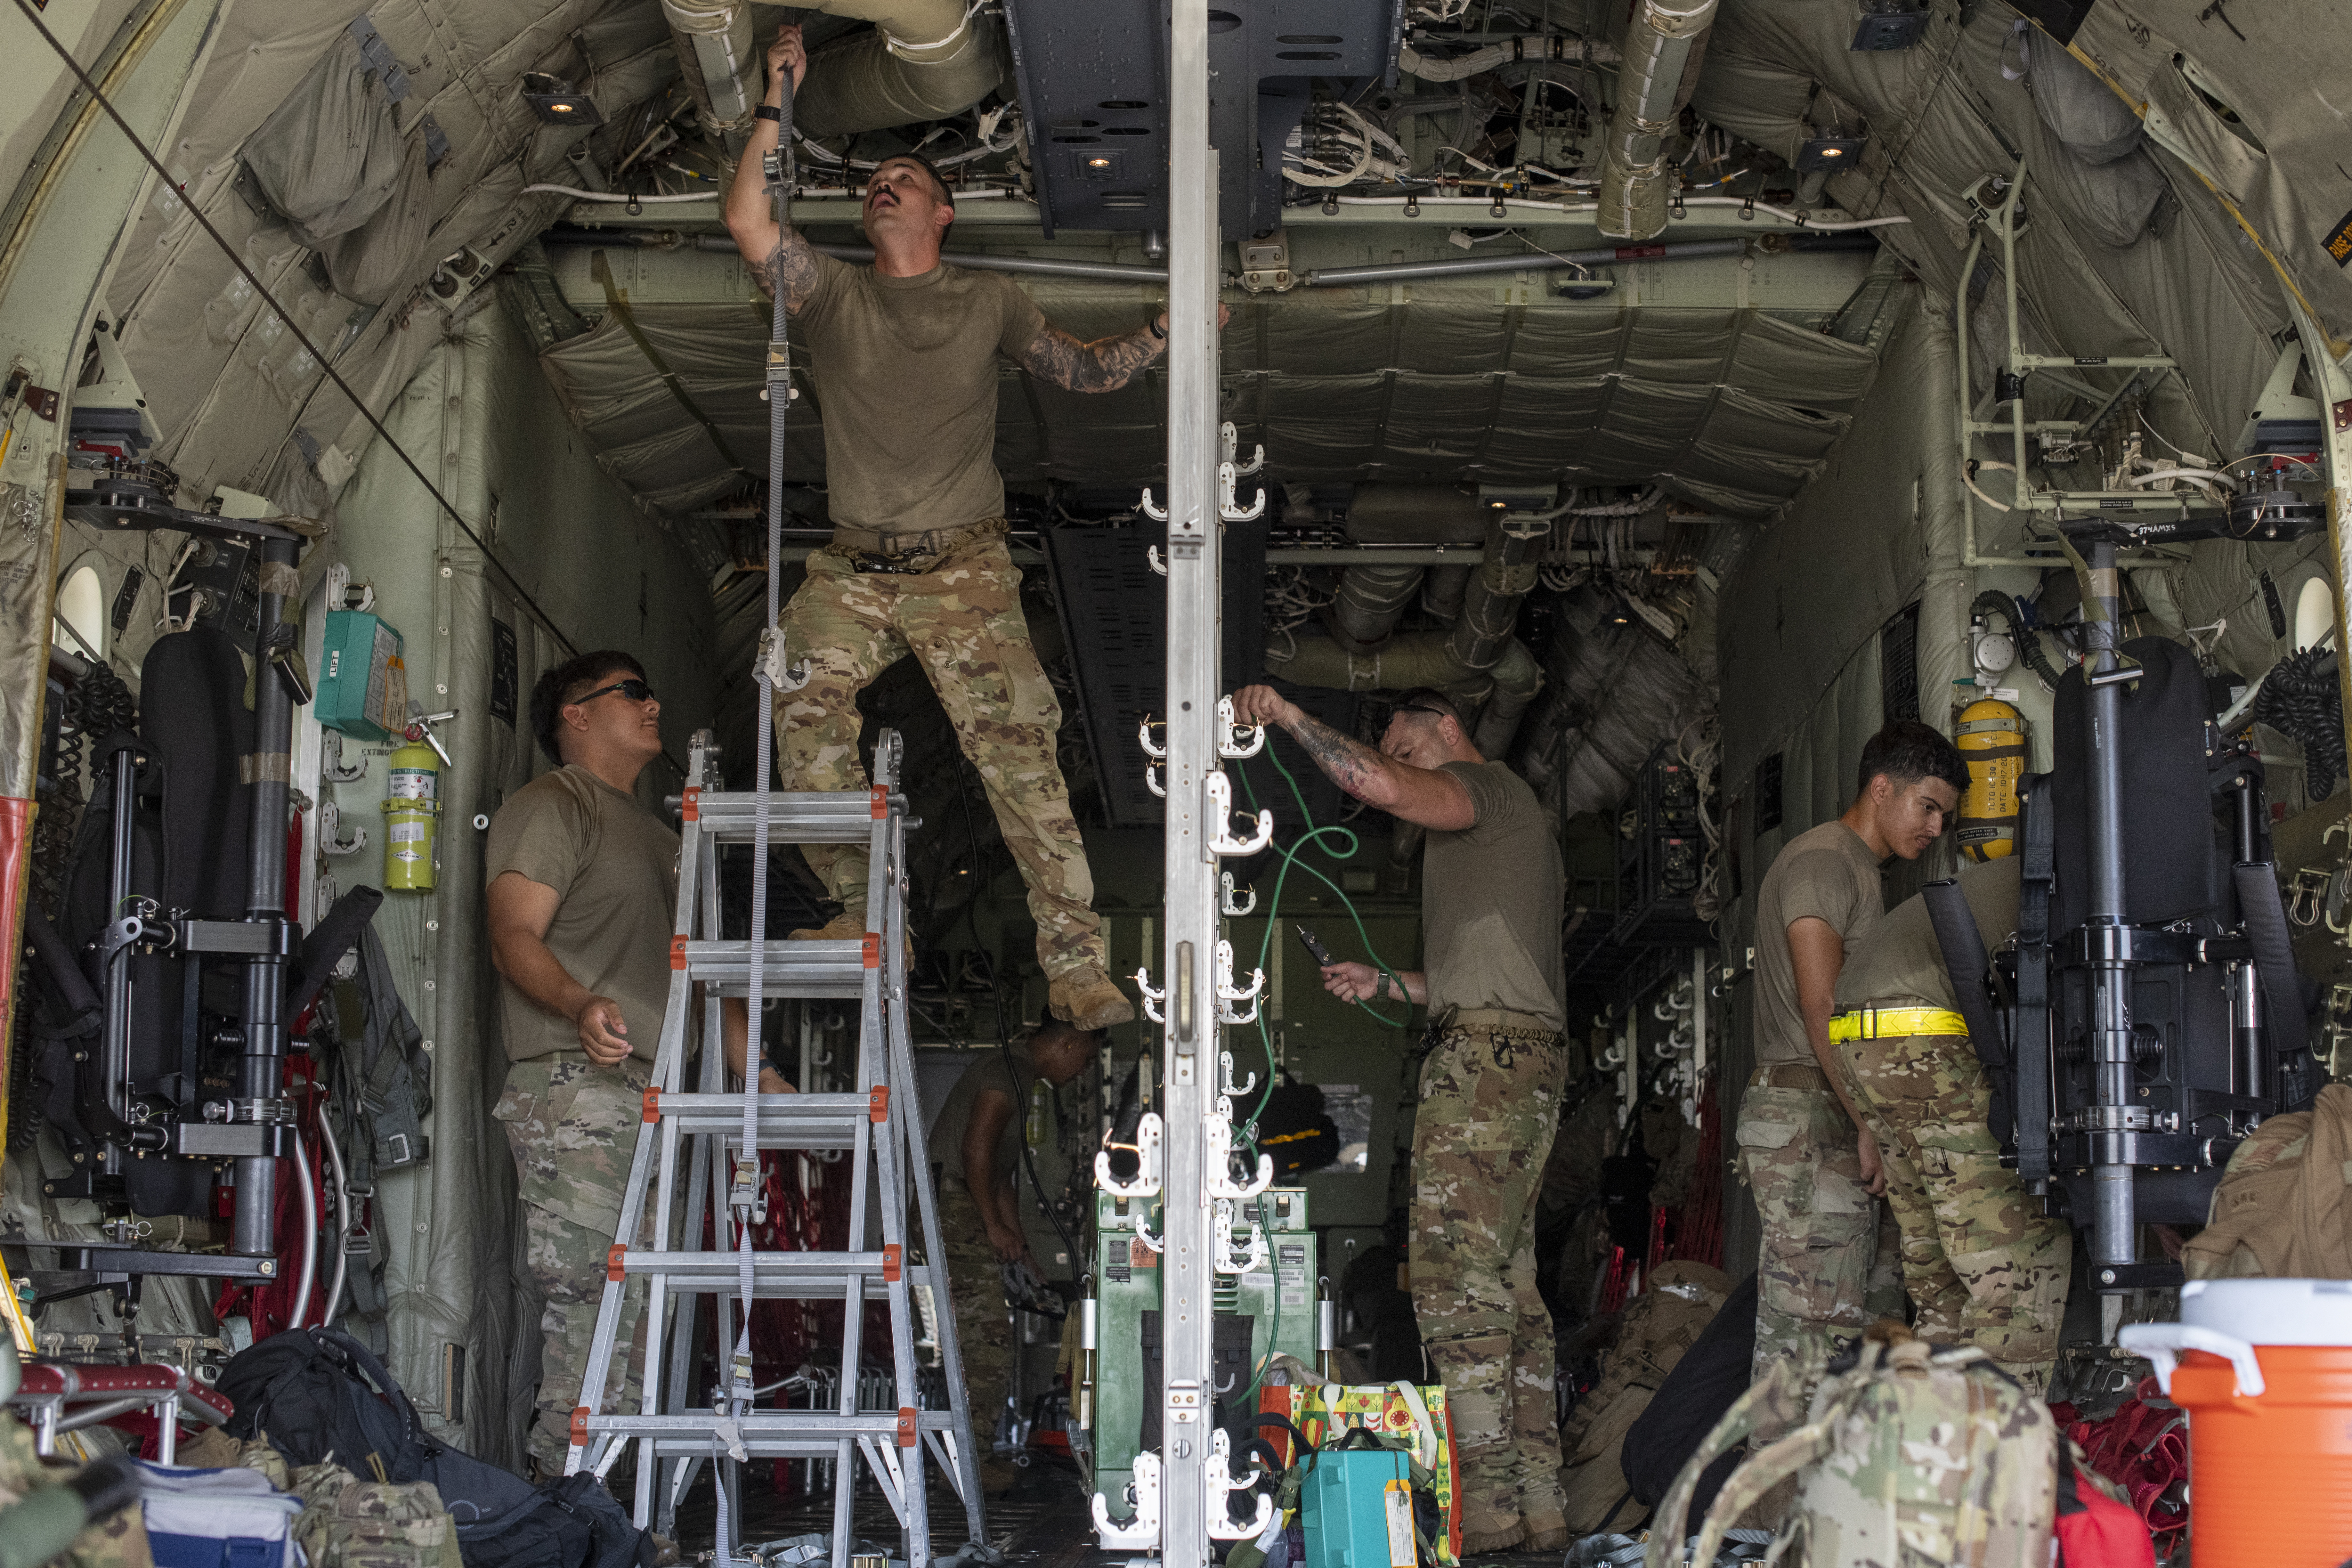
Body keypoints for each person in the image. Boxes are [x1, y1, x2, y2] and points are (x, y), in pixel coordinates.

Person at [726, 24, 1228, 1033]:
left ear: (943, 213)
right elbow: (747, 216)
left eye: (906, 179)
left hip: (964, 569)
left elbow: (1081, 371)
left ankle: (1077, 967)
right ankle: (867, 908)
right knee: (798, 694)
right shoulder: (832, 295)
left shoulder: (987, 300)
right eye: (876, 182)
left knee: (1018, 757)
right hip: (854, 569)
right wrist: (779, 94)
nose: (886, 186)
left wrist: (1164, 333)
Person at [1229, 684, 1569, 1556]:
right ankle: (1537, 1500)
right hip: (1516, 1054)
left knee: (1456, 1283)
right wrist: (1384, 982)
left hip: (1486, 1064)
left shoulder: (1488, 790)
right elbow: (1477, 977)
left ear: (1448, 727)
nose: (1398, 765)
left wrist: (1288, 717)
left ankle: (1488, 1505)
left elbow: (1376, 784)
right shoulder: (1493, 839)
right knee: (1511, 1286)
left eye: (1408, 747)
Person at [485, 651, 789, 1474]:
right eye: (633, 692)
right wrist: (580, 1004)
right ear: (576, 714)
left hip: (653, 1096)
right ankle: (560, 1494)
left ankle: (605, 1505)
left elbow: (705, 977)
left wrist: (763, 1076)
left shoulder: (665, 837)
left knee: (644, 1308)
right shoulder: (557, 805)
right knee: (594, 1302)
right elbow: (513, 934)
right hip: (579, 1085)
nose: (653, 704)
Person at [1736, 719, 1967, 1418]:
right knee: (1807, 1333)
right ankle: (1776, 1487)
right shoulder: (1824, 863)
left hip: (1831, 1112)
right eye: (1927, 806)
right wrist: (1867, 1121)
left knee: (1856, 1329)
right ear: (1881, 787)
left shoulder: (1859, 870)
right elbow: (1821, 1004)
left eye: (1944, 814)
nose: (1935, 827)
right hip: (1808, 1115)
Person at [1829, 856, 2071, 1390]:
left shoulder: (2052, 858)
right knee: (2017, 1272)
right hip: (1921, 1027)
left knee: (1940, 1275)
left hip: (1857, 1031)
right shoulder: (2098, 873)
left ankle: (1928, 1430)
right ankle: (1993, 1439)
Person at [924, 1020, 1099, 1492]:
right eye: (1084, 1058)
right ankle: (967, 1466)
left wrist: (1019, 1248)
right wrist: (993, 1225)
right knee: (988, 1340)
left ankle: (967, 1459)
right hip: (953, 1205)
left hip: (962, 1203)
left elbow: (999, 1176)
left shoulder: (1019, 1075)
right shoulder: (1008, 1071)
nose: (1082, 1070)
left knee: (985, 1336)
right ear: (1069, 1042)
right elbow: (975, 1152)